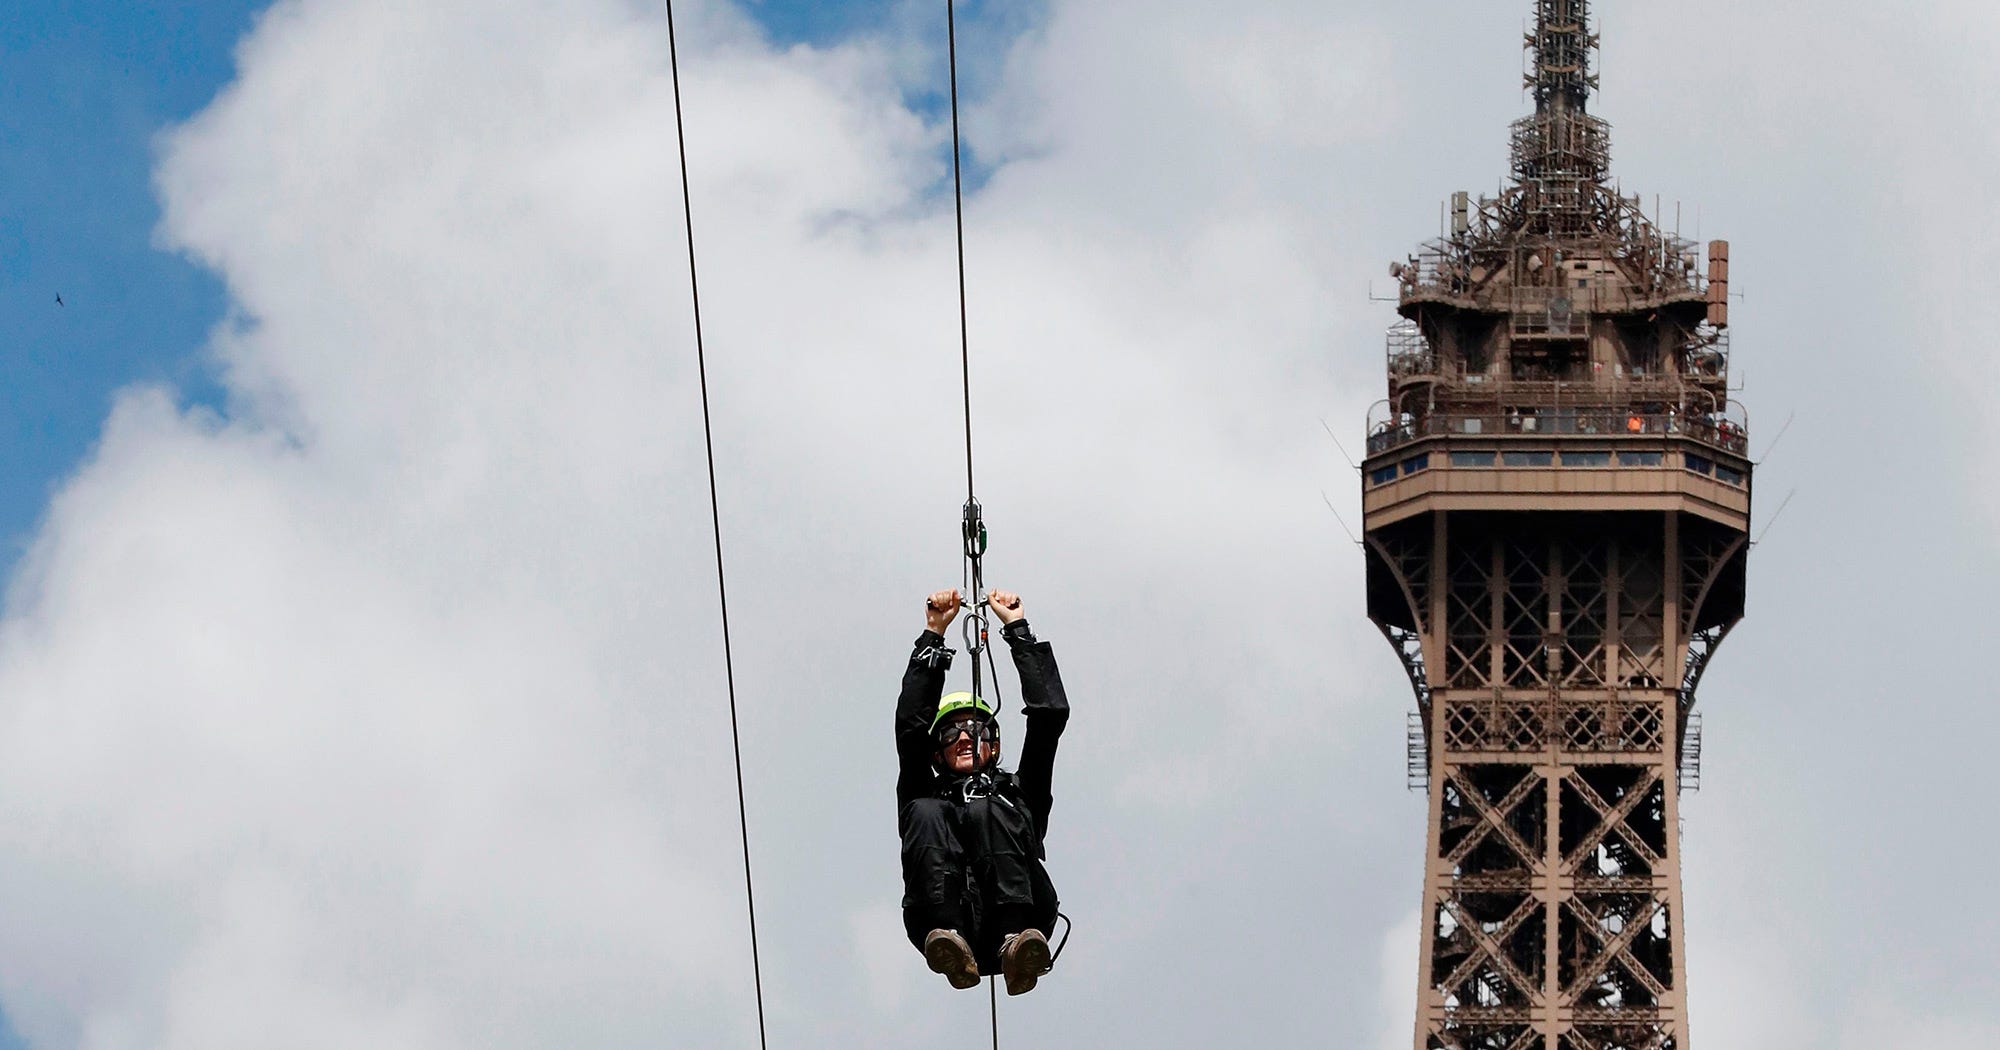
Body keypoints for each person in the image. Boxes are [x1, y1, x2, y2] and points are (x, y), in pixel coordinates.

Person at [896, 587, 1069, 995]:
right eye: (952, 732)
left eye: (976, 729)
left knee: (986, 808)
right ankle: (950, 938)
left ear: (994, 744)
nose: (964, 737)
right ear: (937, 752)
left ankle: (1016, 944)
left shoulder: (1020, 792)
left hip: (1024, 920)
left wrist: (1018, 631)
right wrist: (933, 634)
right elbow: (911, 727)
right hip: (945, 925)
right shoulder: (927, 795)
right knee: (924, 810)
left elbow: (1049, 717)